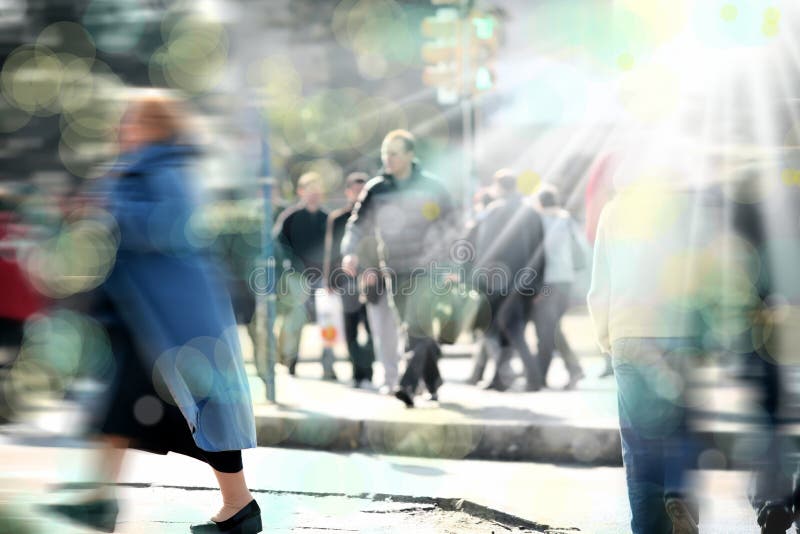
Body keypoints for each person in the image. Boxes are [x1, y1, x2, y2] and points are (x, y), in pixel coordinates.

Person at [43, 91, 262, 533]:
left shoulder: (168, 169)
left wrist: (109, 209)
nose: (122, 126)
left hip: (174, 321)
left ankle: (238, 506)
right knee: (128, 405)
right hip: (145, 319)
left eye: (132, 119)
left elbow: (172, 225)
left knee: (196, 412)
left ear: (156, 125)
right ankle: (103, 498)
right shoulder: (137, 169)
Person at [588, 155, 710, 533]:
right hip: (678, 333)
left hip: (629, 334)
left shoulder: (613, 212)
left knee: (638, 442)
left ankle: (647, 526)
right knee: (682, 424)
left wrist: (607, 338)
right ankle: (678, 490)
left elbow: (600, 284)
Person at [341, 129, 457, 407]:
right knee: (412, 327)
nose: (387, 159)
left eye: (393, 153)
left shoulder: (433, 186)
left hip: (429, 269)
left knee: (419, 324)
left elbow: (452, 227)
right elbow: (357, 224)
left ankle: (407, 384)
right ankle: (433, 381)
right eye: (385, 153)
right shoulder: (376, 188)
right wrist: (349, 252)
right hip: (394, 269)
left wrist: (454, 265)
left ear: (409, 155)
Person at [464, 169, 546, 392]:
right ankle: (500, 378)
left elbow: (481, 247)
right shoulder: (531, 212)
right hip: (523, 280)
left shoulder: (492, 211)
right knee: (509, 329)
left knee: (503, 329)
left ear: (498, 186)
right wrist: (538, 283)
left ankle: (531, 377)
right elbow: (540, 250)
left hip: (495, 280)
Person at [273, 172, 333, 378]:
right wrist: (288, 267)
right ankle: (290, 361)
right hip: (297, 277)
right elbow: (278, 245)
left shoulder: (328, 218)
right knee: (296, 319)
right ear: (301, 192)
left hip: (323, 277)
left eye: (317, 190)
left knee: (328, 321)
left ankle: (328, 366)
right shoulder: (290, 218)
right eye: (309, 190)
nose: (314, 194)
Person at [323, 172, 375, 388]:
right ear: (348, 192)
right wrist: (329, 280)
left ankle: (368, 372)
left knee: (372, 328)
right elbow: (331, 250)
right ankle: (357, 372)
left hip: (370, 279)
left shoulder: (374, 217)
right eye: (356, 190)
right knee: (350, 328)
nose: (359, 194)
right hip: (346, 280)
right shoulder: (337, 219)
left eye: (363, 190)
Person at [534, 184, 586, 390]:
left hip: (546, 282)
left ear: (540, 202)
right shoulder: (567, 220)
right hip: (565, 280)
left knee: (546, 328)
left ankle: (569, 369)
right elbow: (579, 250)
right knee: (552, 326)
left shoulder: (539, 220)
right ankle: (543, 373)